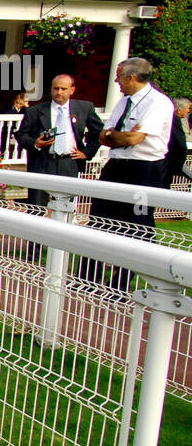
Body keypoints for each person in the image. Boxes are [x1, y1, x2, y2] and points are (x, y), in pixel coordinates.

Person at [86, 57, 173, 290]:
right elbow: (103, 137)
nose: (116, 80)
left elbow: (134, 139)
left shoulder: (159, 103)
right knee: (99, 220)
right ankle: (88, 279)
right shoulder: (124, 101)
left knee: (137, 225)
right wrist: (119, 136)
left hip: (144, 169)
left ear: (131, 77)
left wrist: (117, 136)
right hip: (116, 167)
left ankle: (122, 283)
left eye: (119, 76)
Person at [13, 74, 102, 207]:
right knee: (37, 206)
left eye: (63, 89)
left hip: (68, 162)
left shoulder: (84, 108)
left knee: (65, 206)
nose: (59, 92)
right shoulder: (35, 111)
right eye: (56, 88)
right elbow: (21, 135)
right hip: (42, 162)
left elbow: (98, 131)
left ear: (72, 90)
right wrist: (35, 143)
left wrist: (87, 152)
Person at [164, 98, 190, 188]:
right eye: (188, 108)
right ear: (179, 110)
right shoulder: (174, 119)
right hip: (169, 160)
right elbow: (180, 143)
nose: (188, 111)